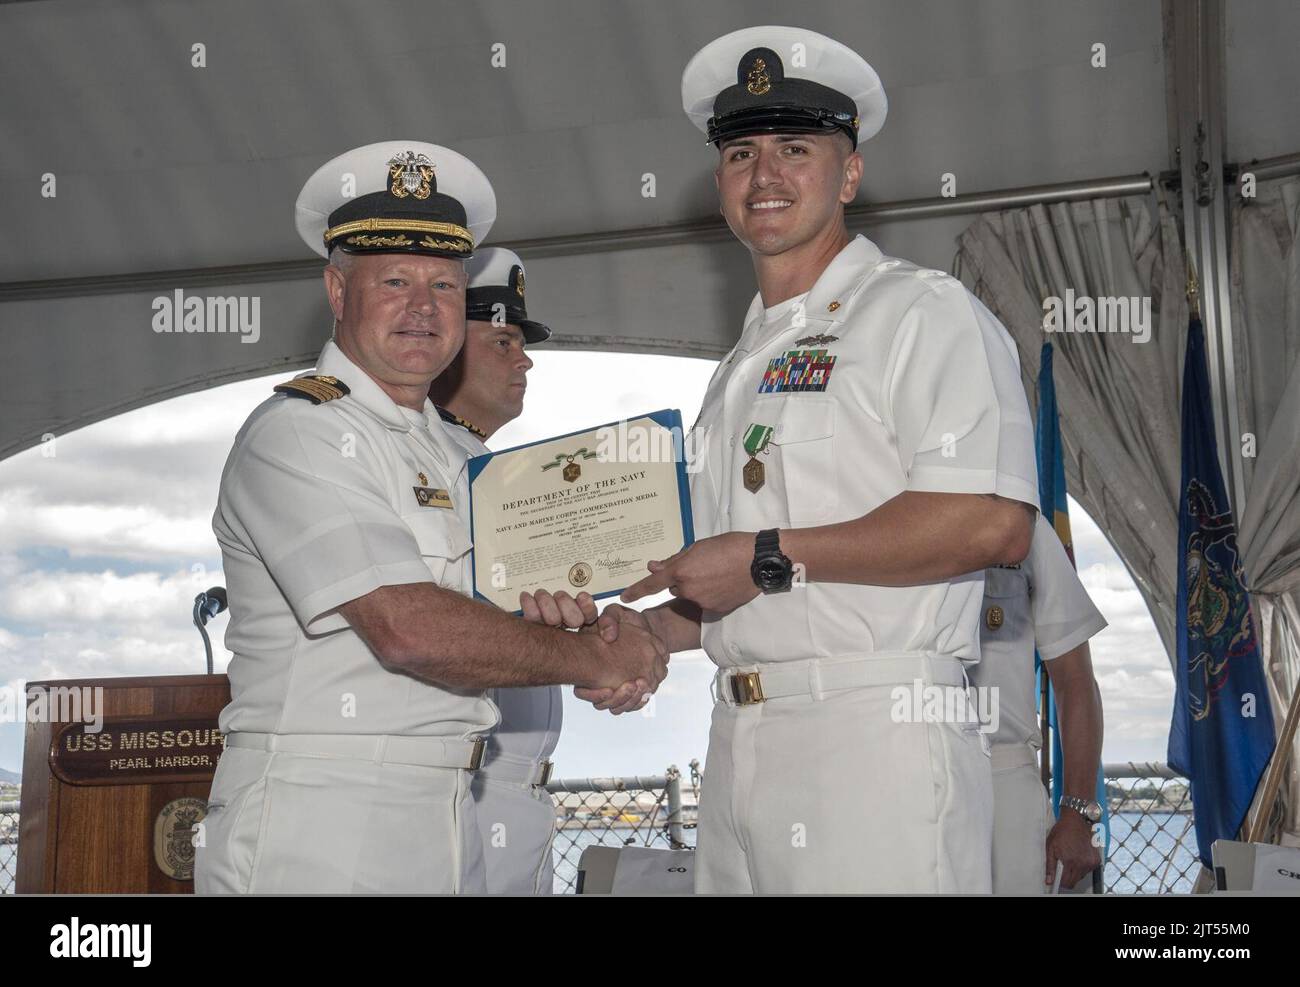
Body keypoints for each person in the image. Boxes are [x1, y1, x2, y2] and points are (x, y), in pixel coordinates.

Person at [541, 26, 1040, 893]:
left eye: (795, 148)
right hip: (736, 741)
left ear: (849, 173)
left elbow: (992, 522)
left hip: (875, 738)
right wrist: (654, 632)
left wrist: (765, 553)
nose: (764, 174)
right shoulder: (738, 369)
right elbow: (745, 588)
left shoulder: (921, 314)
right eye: (741, 153)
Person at [195, 142, 666, 894]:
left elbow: (508, 601)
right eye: (395, 281)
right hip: (318, 824)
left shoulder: (455, 452)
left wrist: (604, 626)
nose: (424, 307)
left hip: (449, 814)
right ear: (337, 290)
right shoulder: (299, 433)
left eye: (445, 284)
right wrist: (598, 659)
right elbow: (408, 627)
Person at [429, 246, 562, 894]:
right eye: (505, 339)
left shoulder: (484, 468)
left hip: (515, 800)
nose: (526, 357)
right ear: (449, 347)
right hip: (465, 793)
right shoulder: (422, 462)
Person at [971, 514, 1107, 893]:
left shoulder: (1019, 521)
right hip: (895, 768)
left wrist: (1079, 815)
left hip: (1004, 779)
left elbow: (1075, 680)